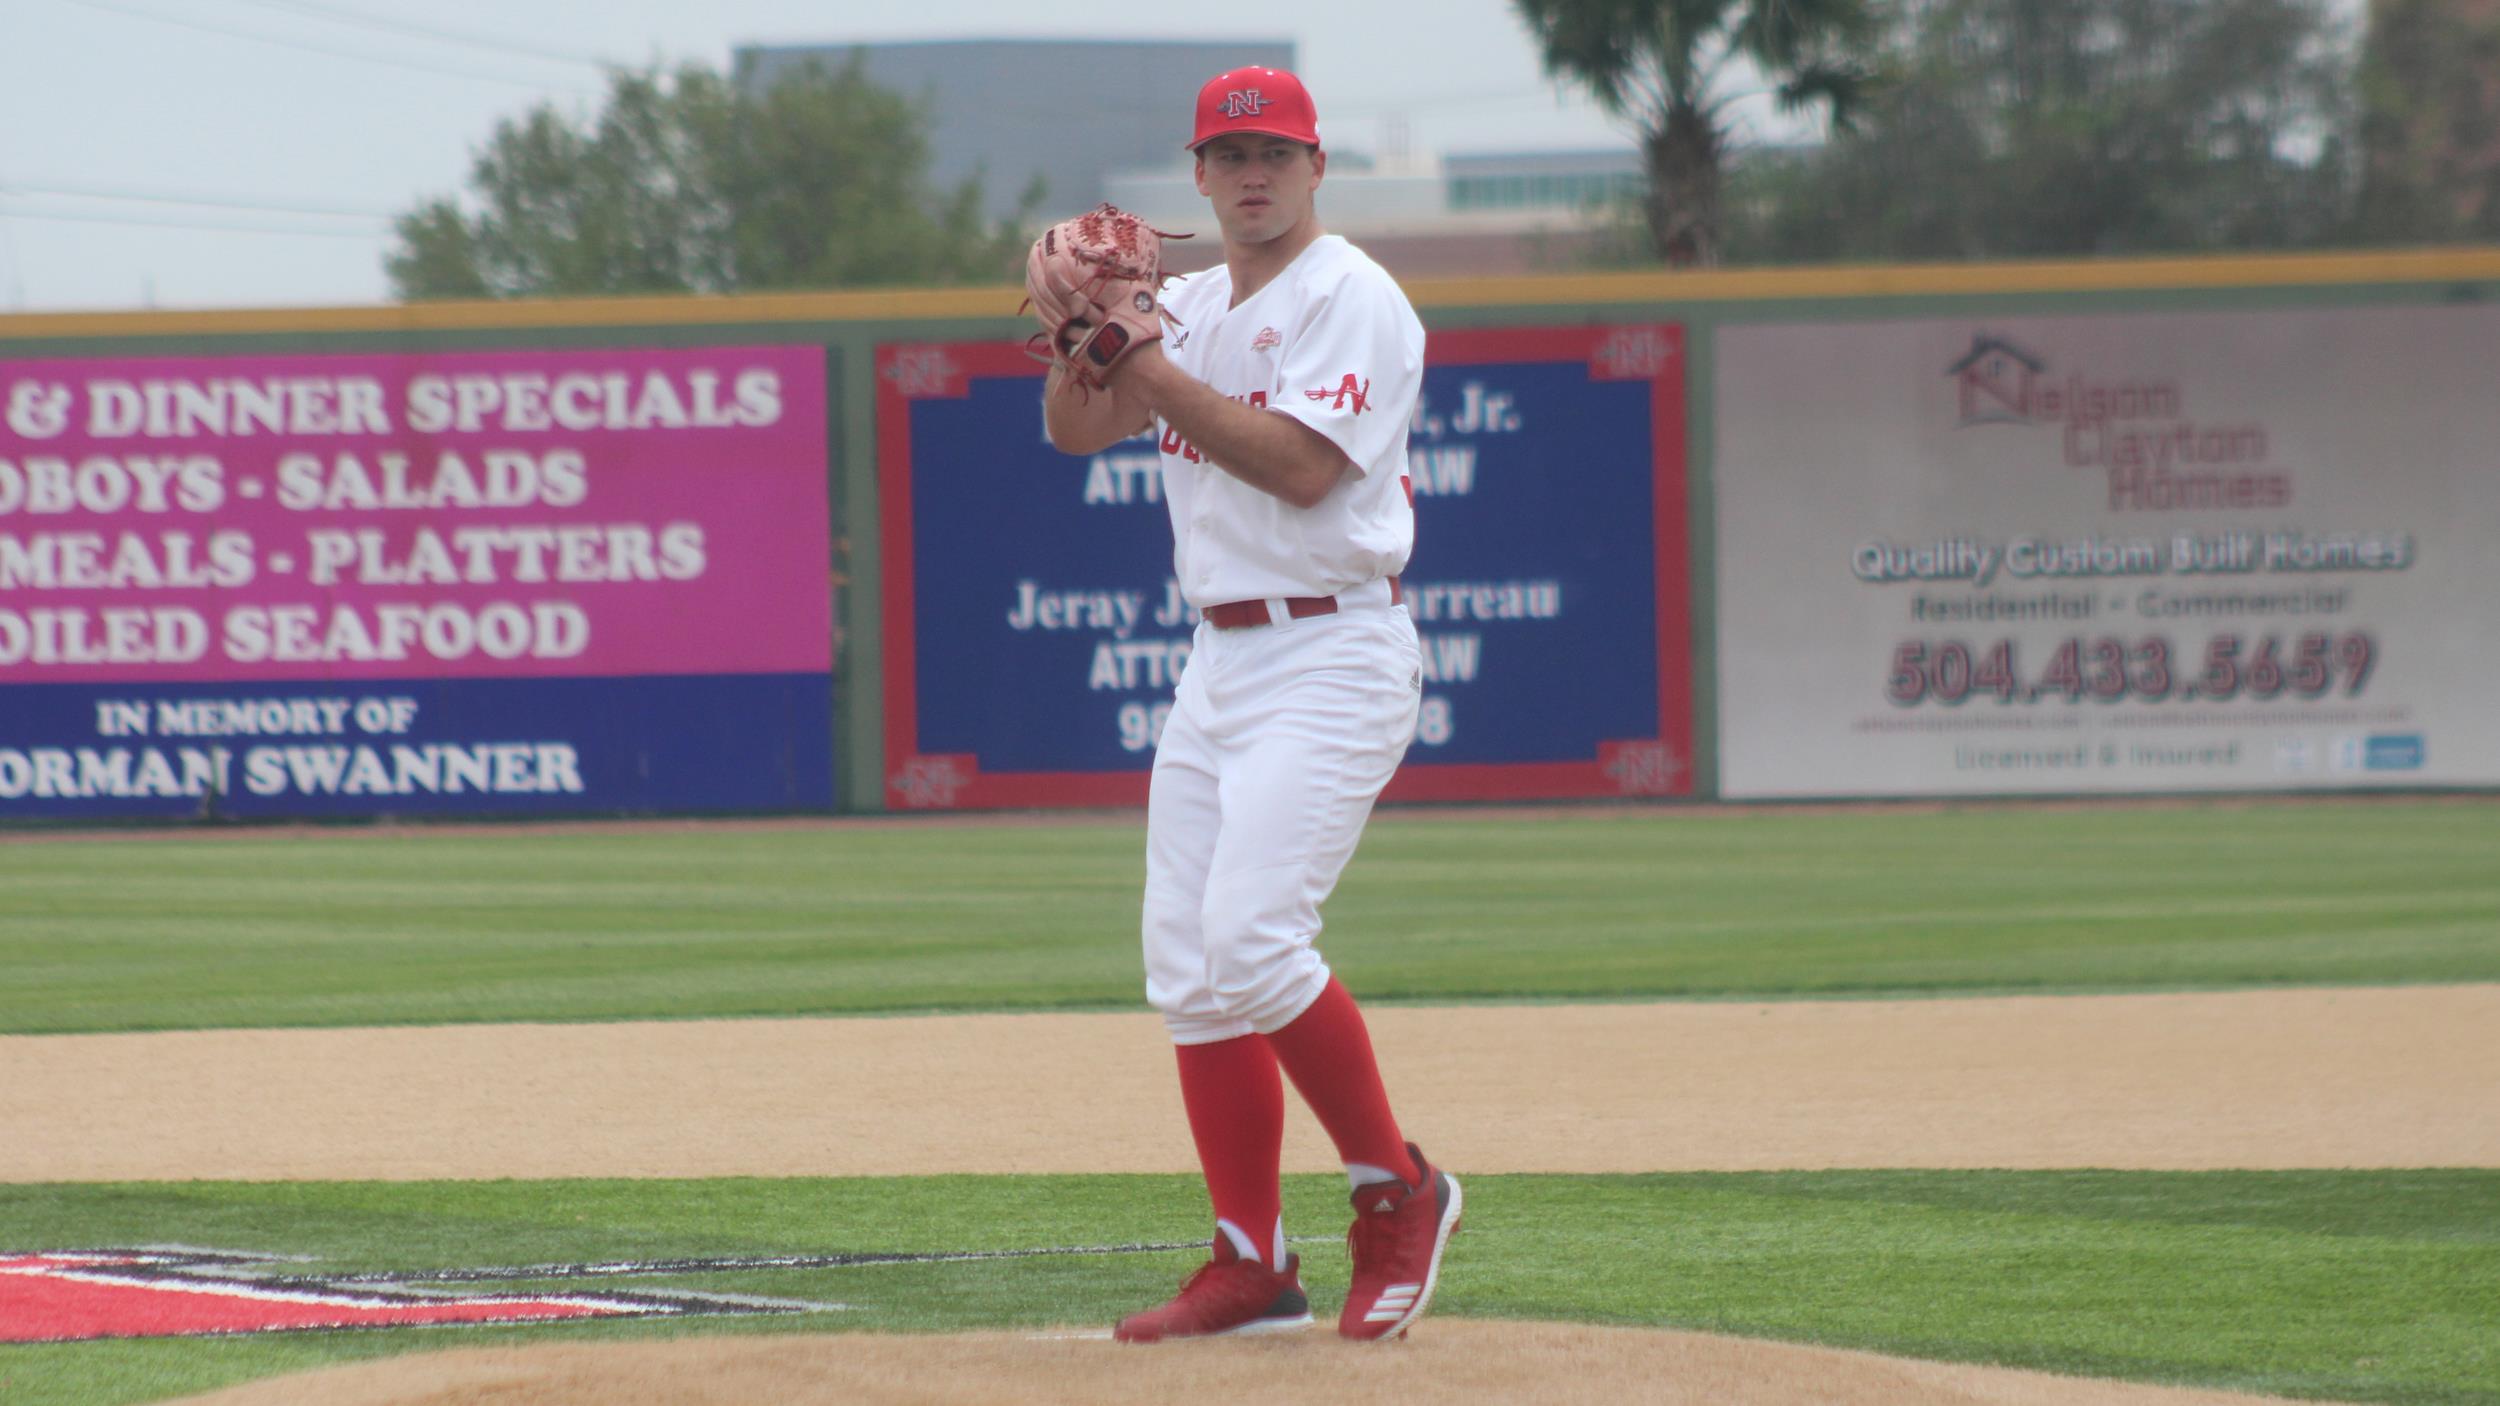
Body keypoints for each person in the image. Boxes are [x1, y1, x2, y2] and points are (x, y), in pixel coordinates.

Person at [1036, 64, 1460, 1345]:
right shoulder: (1192, 300)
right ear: (1200, 174)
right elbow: (1072, 430)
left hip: (1332, 651)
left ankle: (1401, 1187)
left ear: (1317, 167)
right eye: (1229, 155)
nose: (1253, 172)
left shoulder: (1355, 298)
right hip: (1217, 661)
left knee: (1256, 935)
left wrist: (1142, 353)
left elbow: (1296, 466)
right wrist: (1083, 334)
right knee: (1192, 968)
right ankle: (1250, 1260)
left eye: (1275, 150)